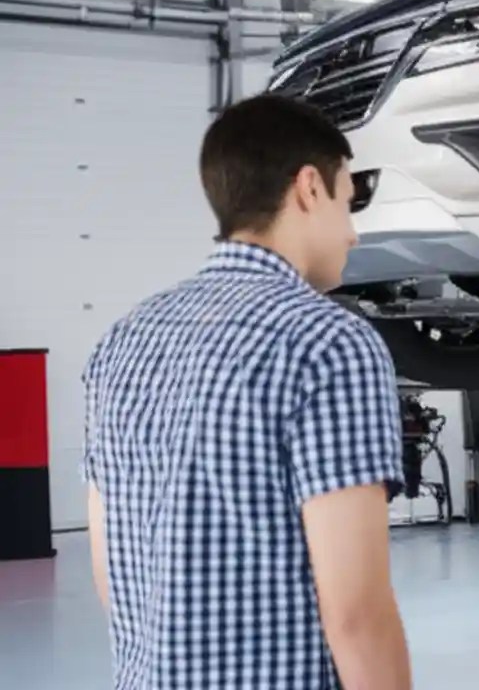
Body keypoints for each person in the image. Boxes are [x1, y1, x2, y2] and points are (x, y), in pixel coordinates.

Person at [81, 94, 412, 689]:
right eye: (347, 201)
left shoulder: (121, 342)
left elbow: (112, 576)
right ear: (309, 188)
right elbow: (356, 615)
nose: (355, 233)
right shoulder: (329, 343)